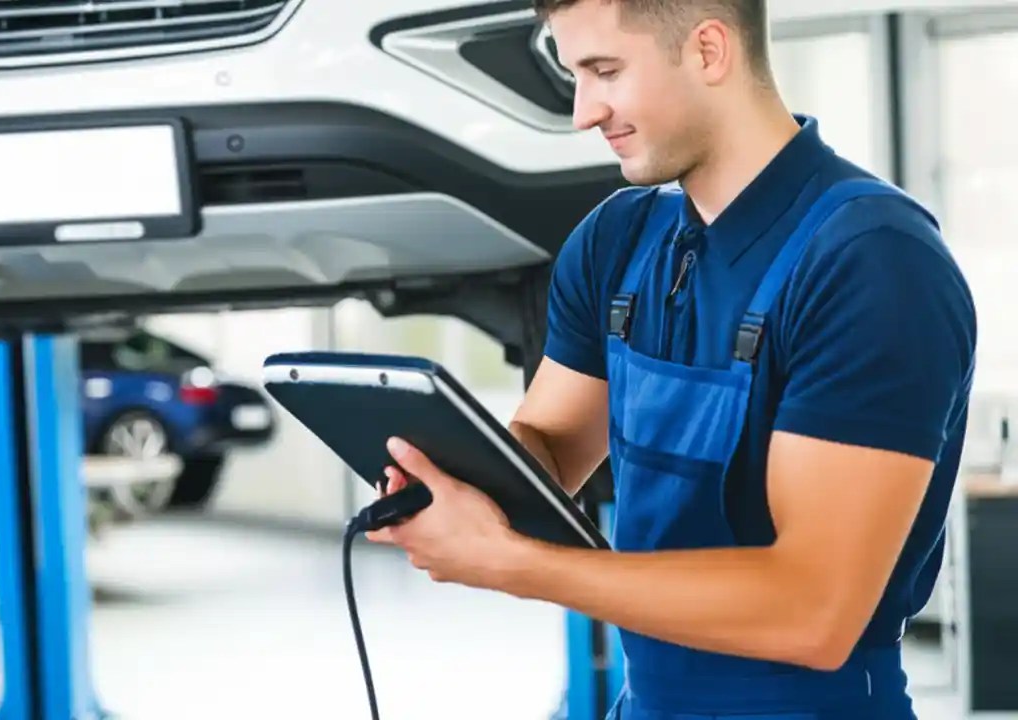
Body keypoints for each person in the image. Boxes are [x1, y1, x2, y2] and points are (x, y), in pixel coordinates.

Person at [367, 1, 977, 718]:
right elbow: (550, 448)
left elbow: (813, 611)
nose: (583, 113)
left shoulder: (873, 259)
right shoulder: (617, 240)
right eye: (575, 76)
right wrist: (443, 470)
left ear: (709, 51)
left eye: (604, 72)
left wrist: (516, 564)